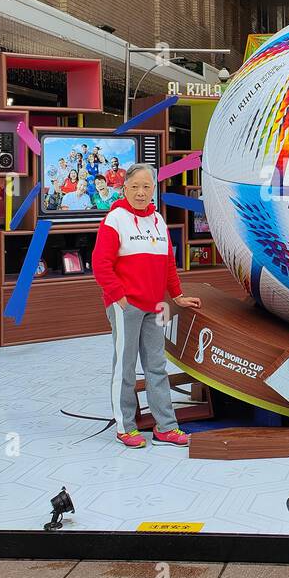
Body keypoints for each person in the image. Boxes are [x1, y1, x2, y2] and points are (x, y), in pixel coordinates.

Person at [91, 163, 200, 448]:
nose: (141, 192)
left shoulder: (158, 221)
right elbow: (100, 265)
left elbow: (167, 264)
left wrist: (175, 295)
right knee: (125, 368)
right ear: (125, 187)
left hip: (155, 306)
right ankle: (125, 427)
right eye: (135, 186)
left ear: (154, 189)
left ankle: (166, 427)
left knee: (156, 367)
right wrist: (119, 296)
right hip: (125, 305)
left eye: (146, 187)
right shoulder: (115, 220)